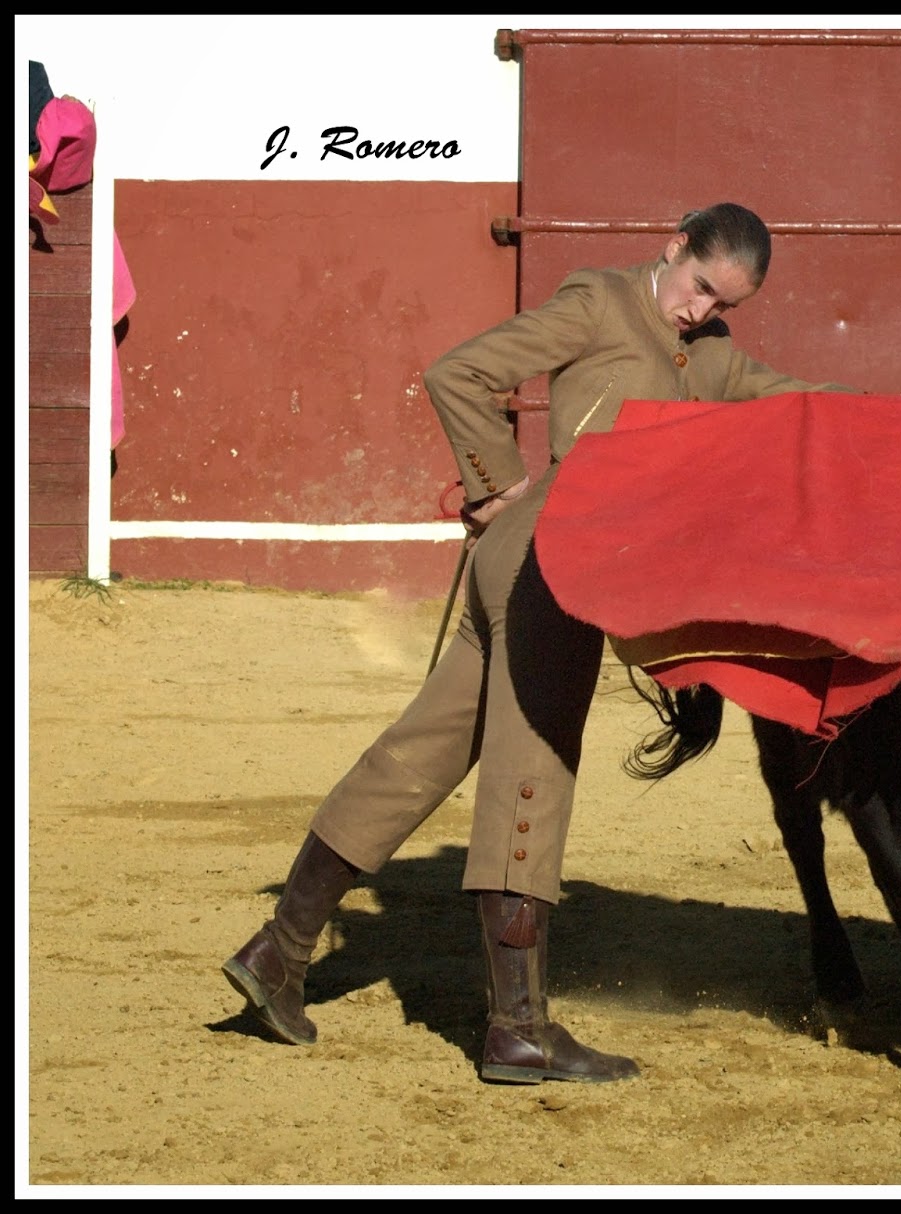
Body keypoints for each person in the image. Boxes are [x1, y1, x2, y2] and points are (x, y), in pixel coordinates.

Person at [222, 203, 856, 1084]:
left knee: (423, 750)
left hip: (539, 569)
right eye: (699, 287)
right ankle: (518, 1028)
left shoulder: (712, 359)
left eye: (723, 307)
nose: (700, 313)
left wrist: (891, 418)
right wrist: (497, 484)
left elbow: (788, 400)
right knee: (535, 773)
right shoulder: (598, 301)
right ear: (674, 247)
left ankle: (279, 953)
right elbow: (462, 373)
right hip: (552, 565)